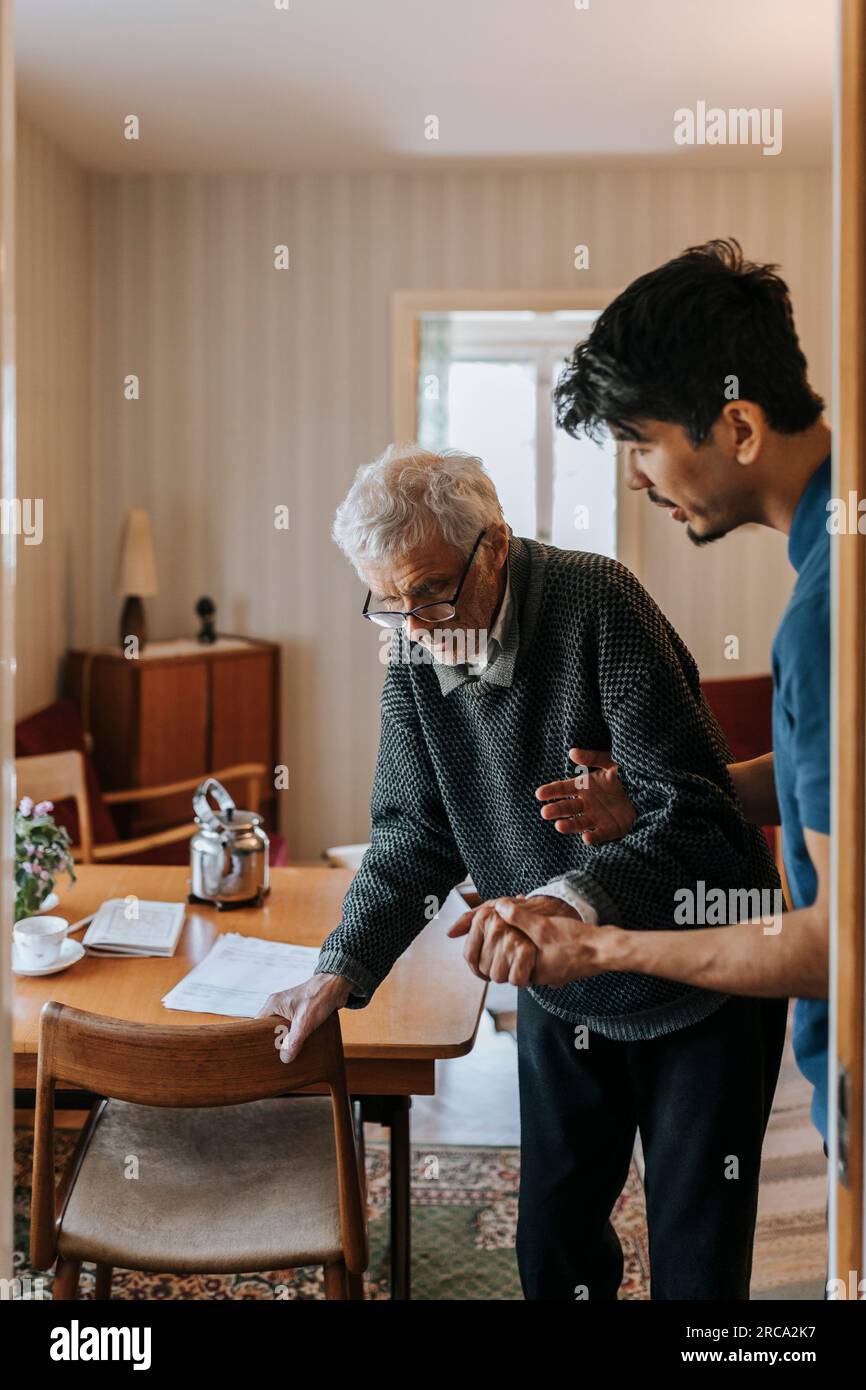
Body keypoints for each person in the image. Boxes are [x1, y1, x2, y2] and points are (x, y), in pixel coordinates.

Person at [258, 443, 785, 1300]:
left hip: (702, 978)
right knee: (554, 1246)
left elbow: (696, 816)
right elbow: (410, 836)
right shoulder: (413, 649)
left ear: (494, 544)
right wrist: (338, 970)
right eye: (388, 604)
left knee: (697, 1257)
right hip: (562, 984)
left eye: (430, 590)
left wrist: (557, 902)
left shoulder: (598, 602)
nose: (417, 624)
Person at [461, 239, 831, 1157]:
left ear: (738, 428)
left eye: (642, 442)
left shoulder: (825, 613)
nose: (633, 475)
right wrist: (672, 792)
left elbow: (834, 946)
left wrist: (599, 945)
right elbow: (831, 778)